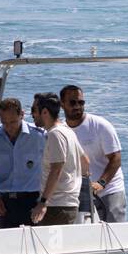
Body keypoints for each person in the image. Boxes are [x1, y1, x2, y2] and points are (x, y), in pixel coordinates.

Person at [60, 85, 127, 222]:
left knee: (115, 233)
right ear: (62, 104)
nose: (77, 106)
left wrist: (101, 183)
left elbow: (116, 159)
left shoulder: (100, 126)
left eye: (81, 102)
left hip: (110, 190)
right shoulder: (61, 130)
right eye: (72, 102)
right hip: (80, 193)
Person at [0, 97, 45, 228]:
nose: (9, 127)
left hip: (33, 200)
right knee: (8, 245)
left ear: (22, 115)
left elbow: (52, 168)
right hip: (6, 202)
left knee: (35, 246)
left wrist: (44, 202)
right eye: (4, 122)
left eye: (13, 122)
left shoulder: (39, 136)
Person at [30, 92, 85, 227]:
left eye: (34, 110)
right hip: (67, 204)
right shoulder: (67, 131)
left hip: (57, 207)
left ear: (44, 112)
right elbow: (85, 162)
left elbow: (56, 169)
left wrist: (43, 202)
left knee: (48, 248)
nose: (32, 115)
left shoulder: (55, 134)